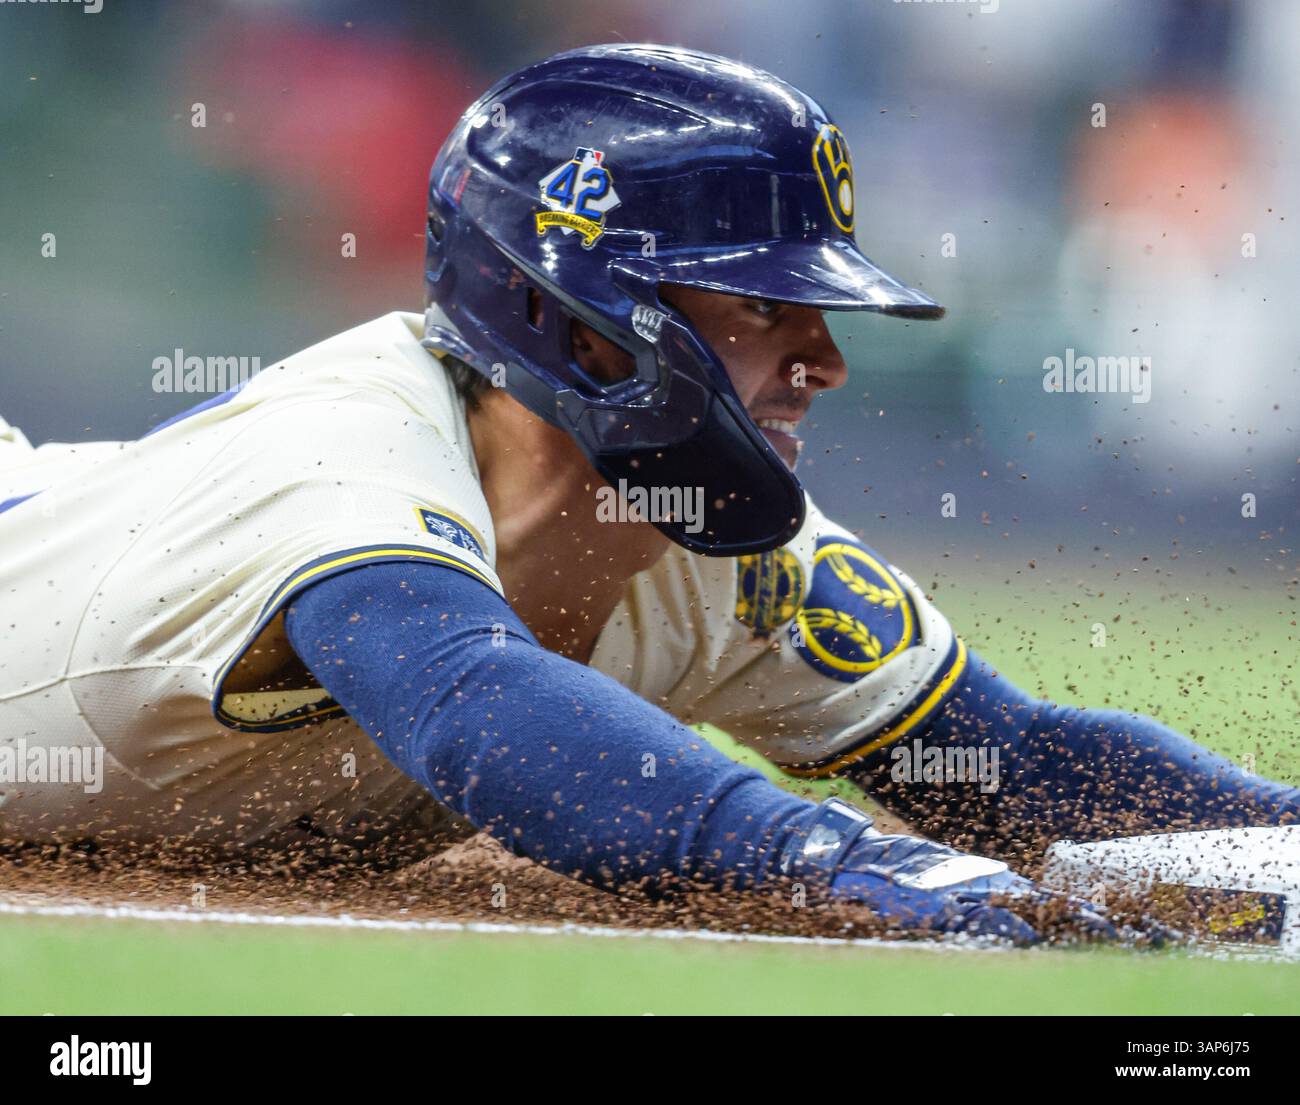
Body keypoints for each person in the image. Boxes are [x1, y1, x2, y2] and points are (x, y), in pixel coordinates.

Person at [1, 44, 1293, 945]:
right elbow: (473, 703)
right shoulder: (348, 447)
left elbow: (1011, 764)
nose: (826, 360)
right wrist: (817, 851)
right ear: (578, 322)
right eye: (760, 306)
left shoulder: (705, 539)